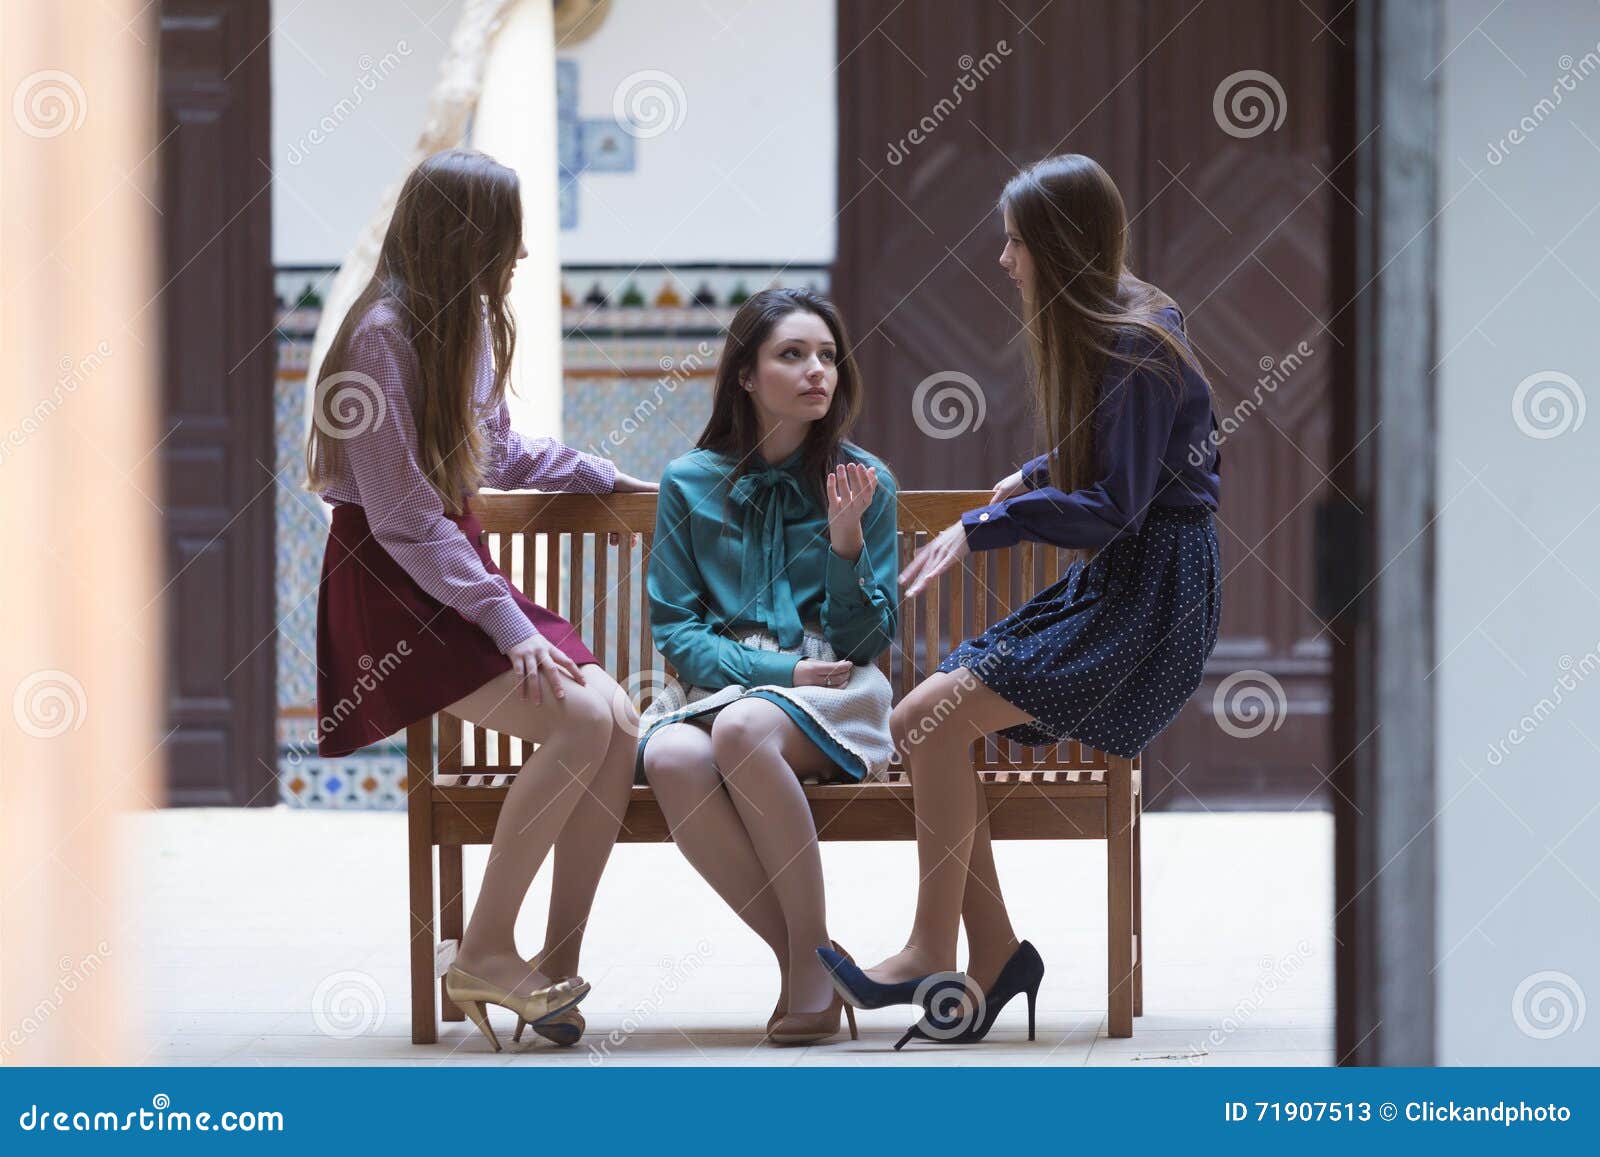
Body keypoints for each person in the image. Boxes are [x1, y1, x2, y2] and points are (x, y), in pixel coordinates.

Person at [818, 153, 1224, 1049]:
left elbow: (1117, 504)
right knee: (928, 716)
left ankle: (937, 945)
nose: (1004, 261)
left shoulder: (1138, 341)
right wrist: (1031, 476)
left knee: (923, 714)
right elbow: (1128, 454)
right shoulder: (1130, 318)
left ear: (1057, 247)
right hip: (1127, 582)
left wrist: (987, 523)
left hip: (1150, 599)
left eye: (1014, 242)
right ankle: (991, 951)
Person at [306, 148, 657, 1052]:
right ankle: (486, 951)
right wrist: (505, 619)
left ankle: (549, 958)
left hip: (451, 567)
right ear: (461, 235)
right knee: (583, 721)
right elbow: (402, 518)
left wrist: (605, 477)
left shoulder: (468, 323)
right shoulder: (381, 335)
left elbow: (496, 452)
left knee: (616, 716)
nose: (521, 255)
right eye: (505, 236)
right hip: (396, 588)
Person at [639, 288, 899, 1046]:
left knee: (745, 730)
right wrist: (778, 670)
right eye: (792, 354)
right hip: (732, 688)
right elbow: (677, 631)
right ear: (746, 376)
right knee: (672, 753)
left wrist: (847, 544)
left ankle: (810, 979)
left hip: (837, 692)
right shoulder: (688, 481)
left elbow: (865, 643)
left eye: (826, 355)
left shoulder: (862, 478)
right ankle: (811, 955)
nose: (817, 370)